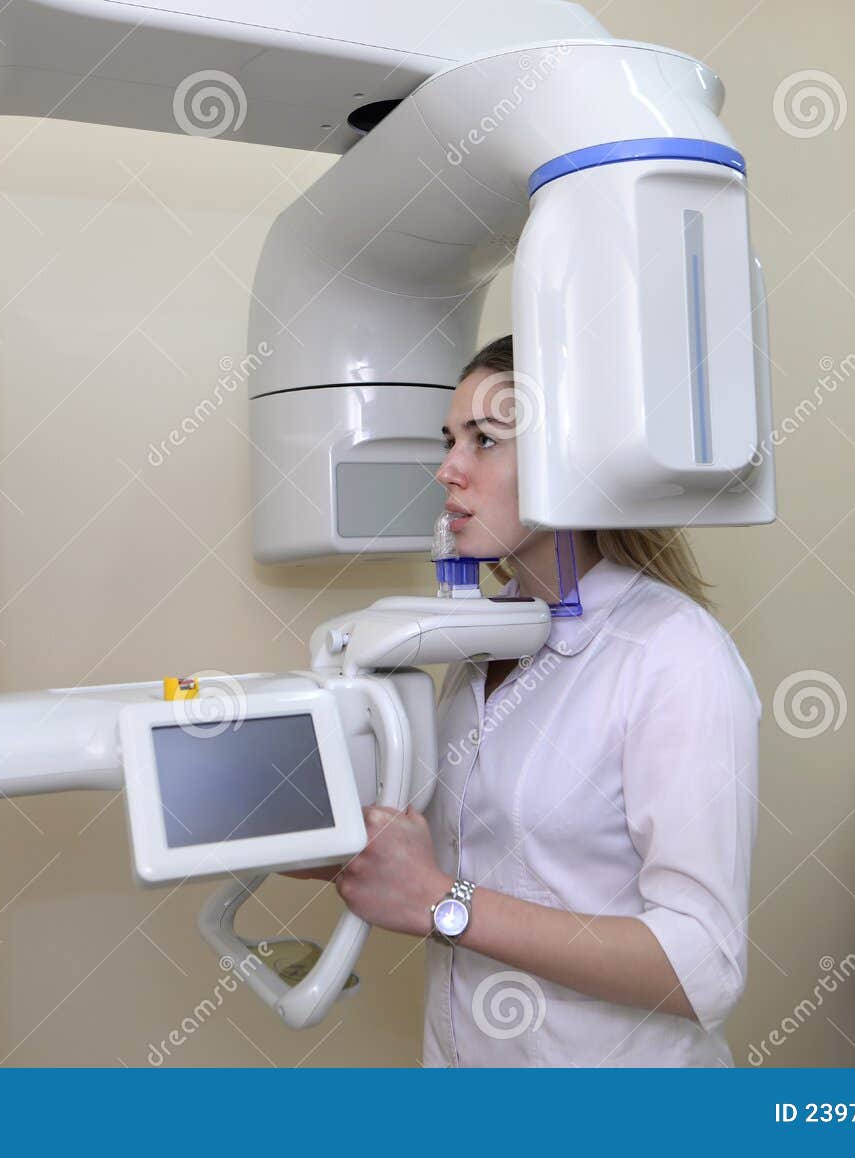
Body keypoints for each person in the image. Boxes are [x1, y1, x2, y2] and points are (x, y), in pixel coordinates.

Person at [323, 335, 761, 1066]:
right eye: (450, 441)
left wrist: (440, 902)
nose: (448, 469)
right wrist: (336, 840)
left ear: (571, 460)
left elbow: (705, 966)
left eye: (484, 441)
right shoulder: (486, 638)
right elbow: (471, 844)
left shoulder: (671, 654)